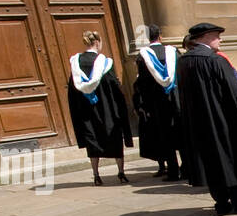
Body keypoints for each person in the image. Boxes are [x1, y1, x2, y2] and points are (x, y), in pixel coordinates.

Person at [177, 22, 237, 216]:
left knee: (212, 162)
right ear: (204, 37)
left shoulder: (183, 62)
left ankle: (221, 203)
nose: (220, 39)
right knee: (234, 158)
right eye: (216, 36)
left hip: (199, 123)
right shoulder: (215, 60)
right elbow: (235, 91)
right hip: (224, 121)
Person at [67, 30, 131, 184]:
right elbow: (114, 87)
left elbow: (72, 91)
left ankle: (96, 175)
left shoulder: (76, 64)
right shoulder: (105, 64)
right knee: (114, 137)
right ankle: (121, 172)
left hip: (86, 110)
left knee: (92, 138)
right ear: (97, 42)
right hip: (107, 109)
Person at [133, 24, 181, 180]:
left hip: (157, 105)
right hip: (176, 100)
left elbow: (142, 85)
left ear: (147, 38)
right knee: (181, 134)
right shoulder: (173, 52)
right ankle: (188, 168)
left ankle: (173, 171)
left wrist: (146, 107)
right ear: (160, 36)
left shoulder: (143, 57)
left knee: (166, 137)